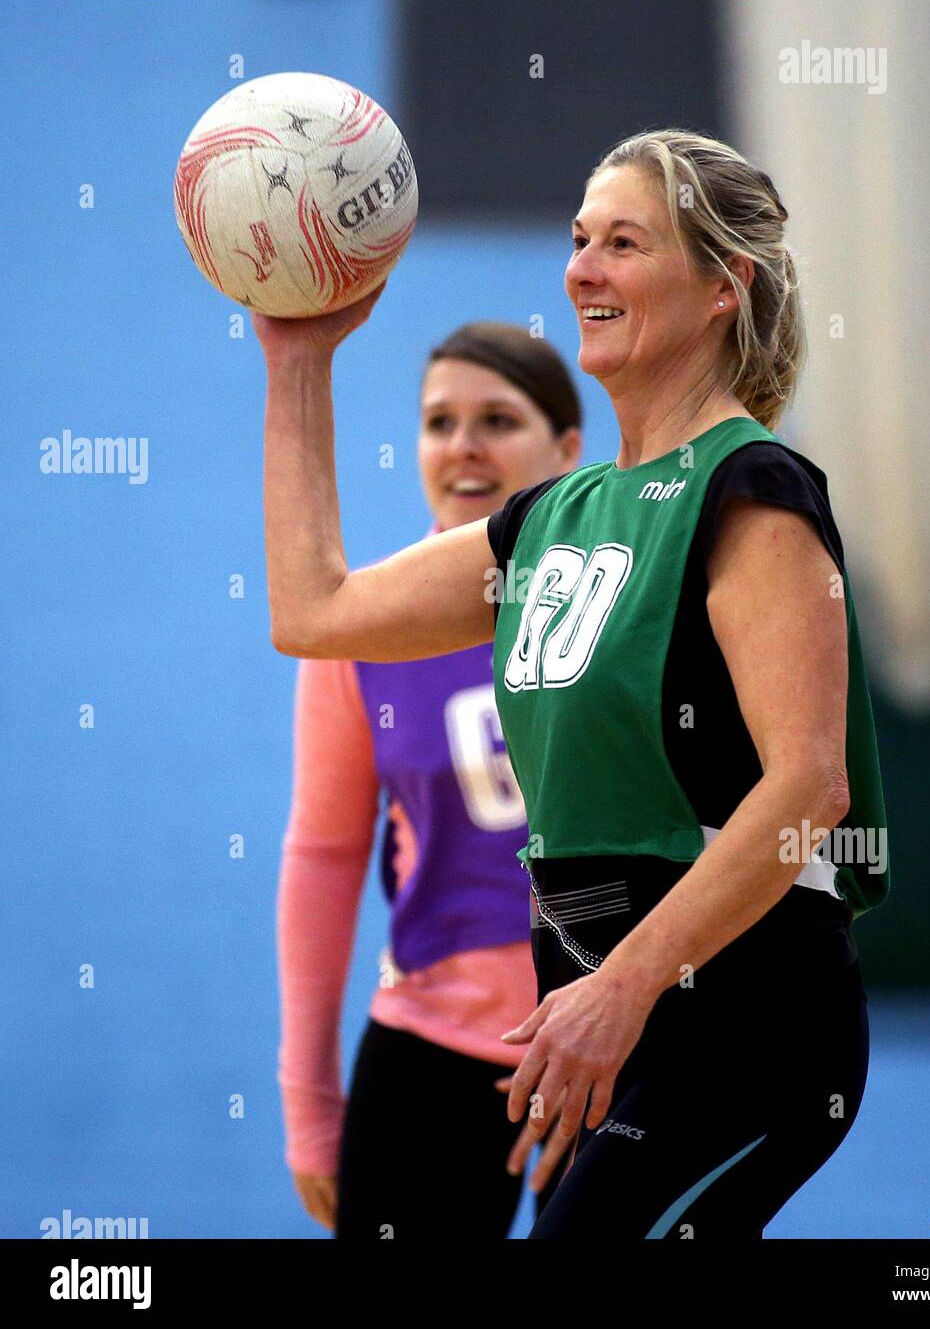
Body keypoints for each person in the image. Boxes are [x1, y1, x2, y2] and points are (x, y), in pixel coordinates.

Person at [254, 128, 890, 1240]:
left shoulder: (755, 492)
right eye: (579, 239)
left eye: (625, 243)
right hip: (603, 1015)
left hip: (747, 1023)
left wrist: (623, 985)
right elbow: (317, 613)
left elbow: (808, 791)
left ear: (722, 287)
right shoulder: (551, 518)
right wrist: (300, 357)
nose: (581, 270)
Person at [275, 323, 584, 1238]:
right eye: (439, 422)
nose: (464, 446)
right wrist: (308, 1099)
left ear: (568, 450)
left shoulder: (625, 605)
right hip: (432, 1049)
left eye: (498, 418)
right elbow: (324, 856)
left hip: (613, 1036)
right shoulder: (361, 623)